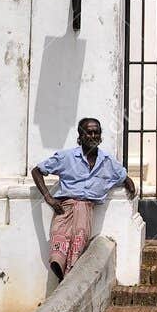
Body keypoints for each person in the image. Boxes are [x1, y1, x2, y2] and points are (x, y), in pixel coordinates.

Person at [31, 117, 136, 282]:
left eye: (96, 132)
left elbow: (125, 178)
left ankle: (66, 284)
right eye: (89, 132)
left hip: (85, 210)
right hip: (64, 208)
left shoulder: (107, 161)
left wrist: (129, 184)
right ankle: (63, 279)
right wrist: (49, 198)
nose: (93, 136)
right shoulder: (66, 157)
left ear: (100, 136)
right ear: (80, 136)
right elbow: (37, 171)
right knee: (58, 249)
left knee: (77, 246)